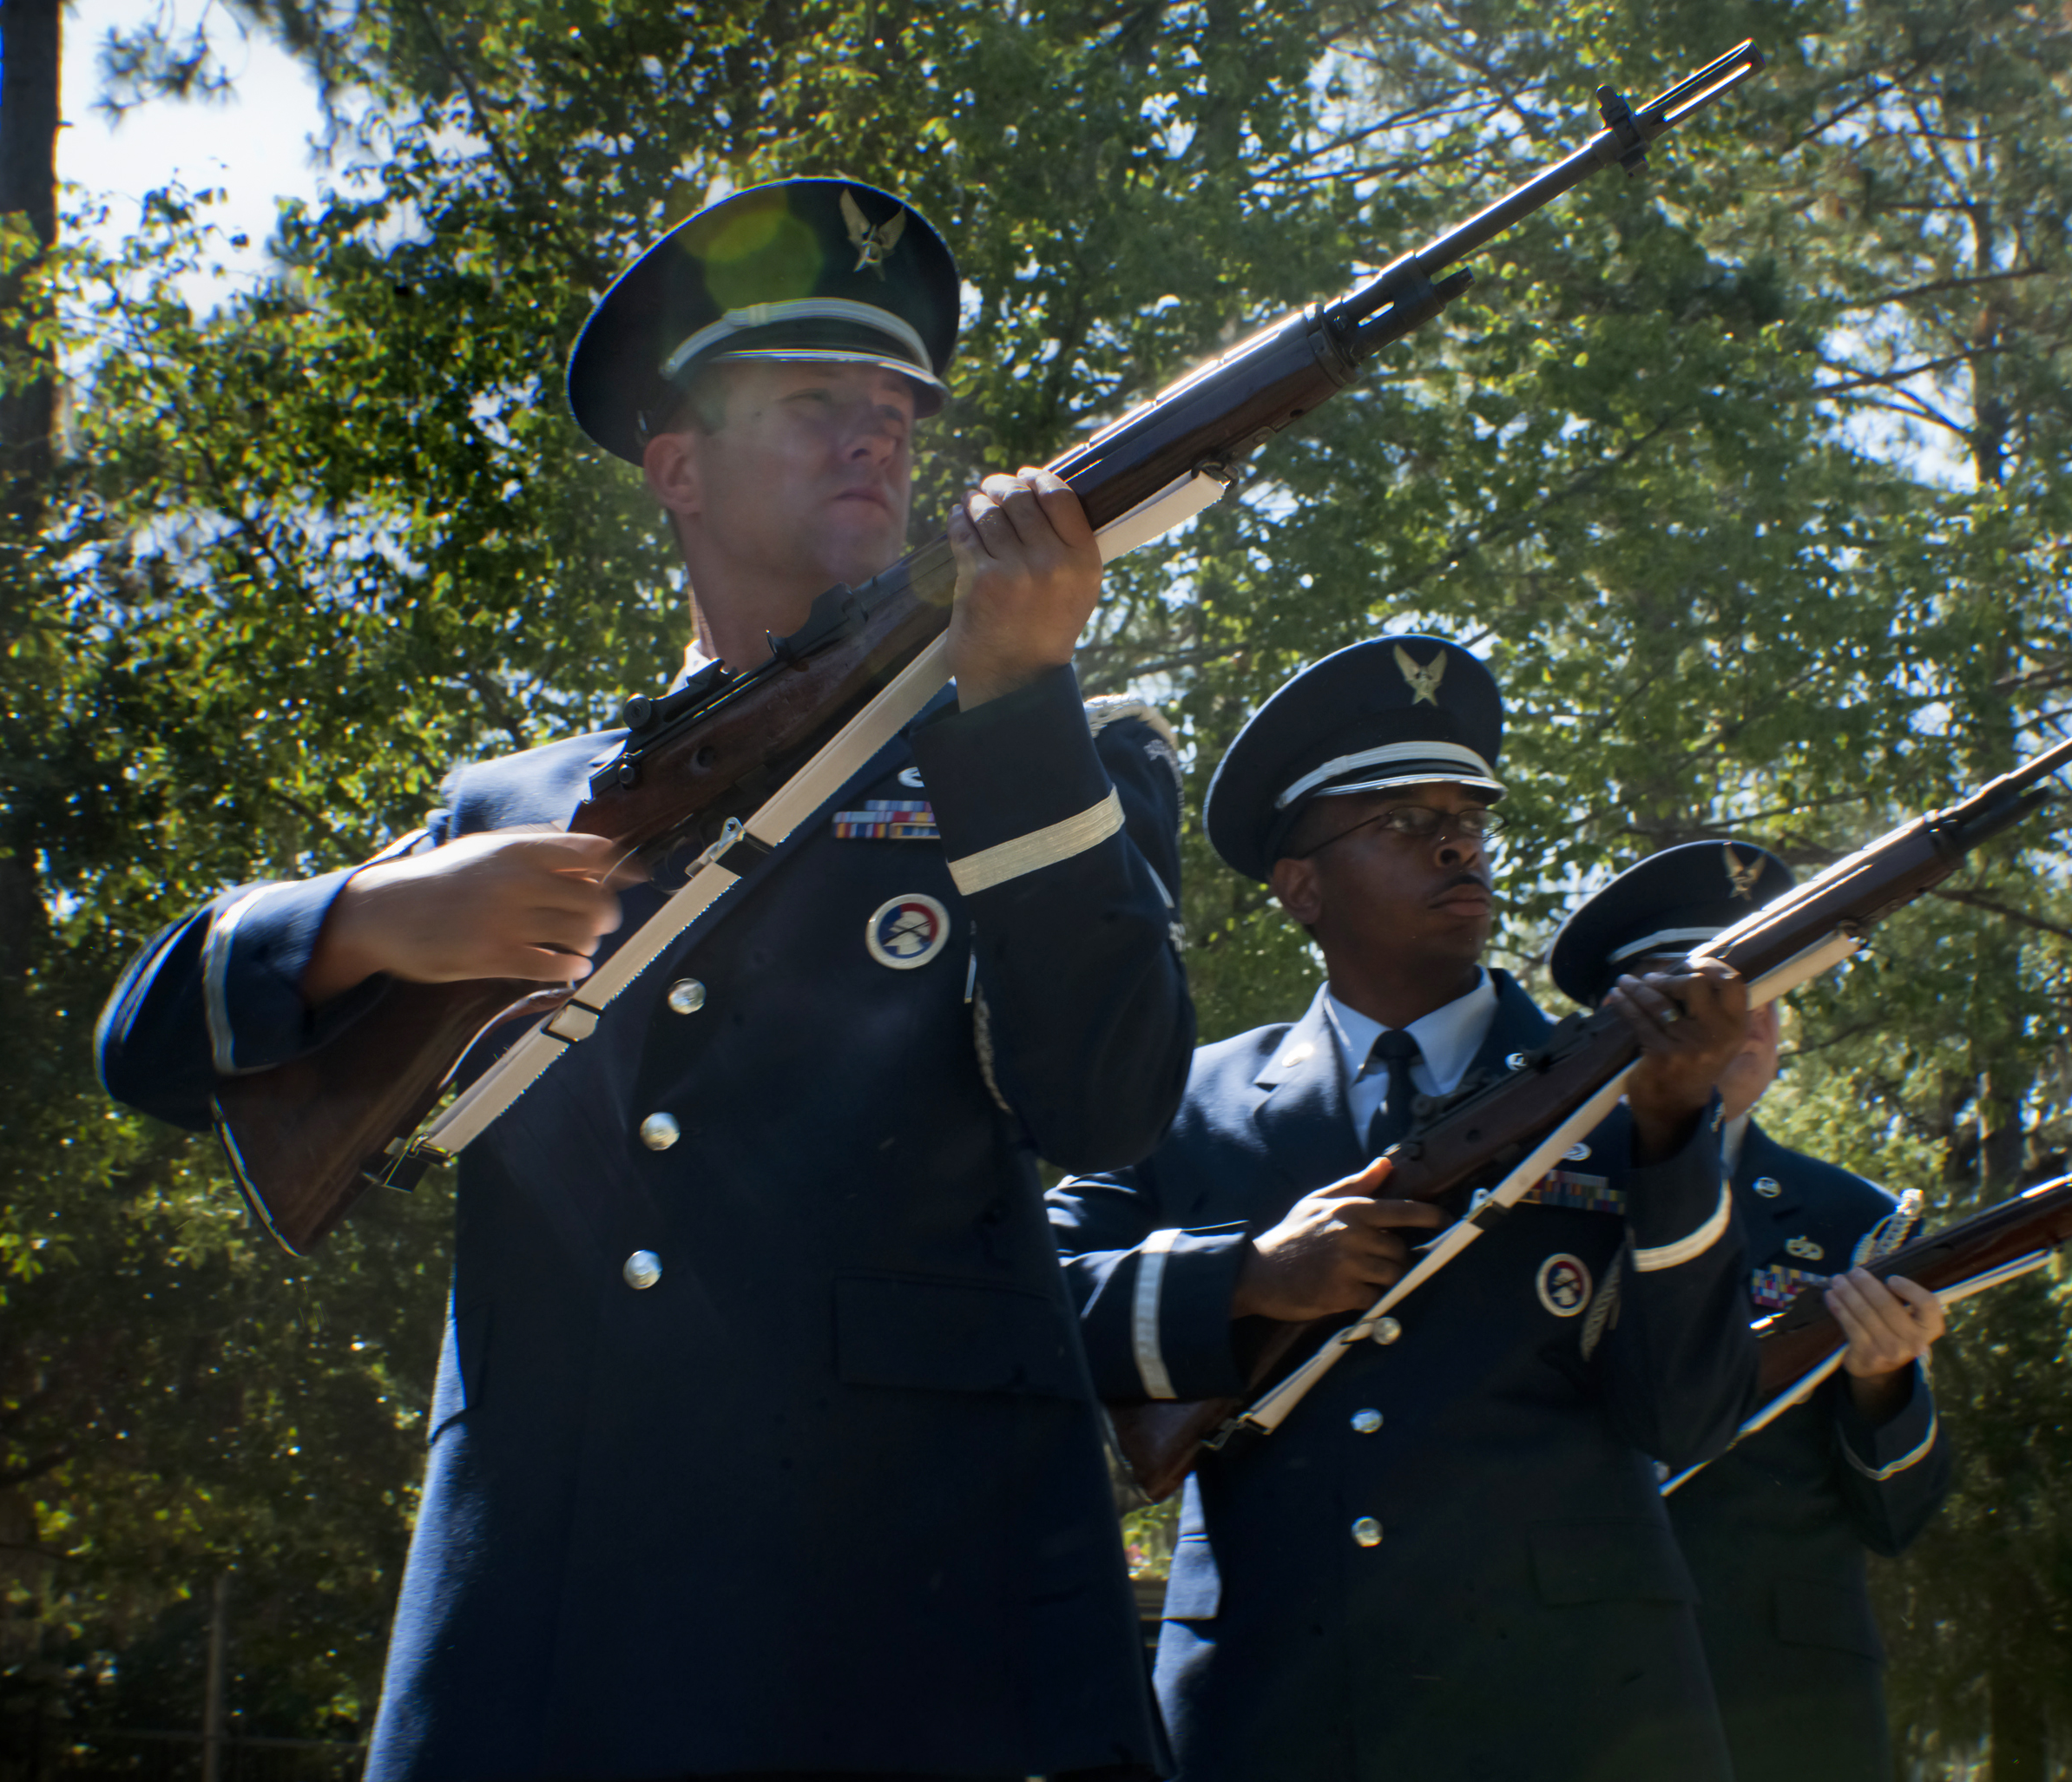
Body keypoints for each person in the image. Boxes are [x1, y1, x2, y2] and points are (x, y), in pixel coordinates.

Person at [96, 180, 1192, 1782]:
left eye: (894, 407)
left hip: (916, 1615)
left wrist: (1016, 699)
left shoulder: (1042, 755)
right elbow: (149, 1045)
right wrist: (378, 924)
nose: (874, 437)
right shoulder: (518, 805)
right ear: (675, 467)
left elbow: (1106, 1100)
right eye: (815, 402)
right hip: (564, 1614)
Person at [1046, 637, 1759, 1782]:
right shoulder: (1188, 1103)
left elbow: (1691, 1419)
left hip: (1568, 1710)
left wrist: (1677, 1138)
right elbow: (1023, 1296)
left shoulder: (1625, 1092)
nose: (1454, 842)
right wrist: (1246, 1277)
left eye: (1467, 815)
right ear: (1301, 886)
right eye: (1398, 821)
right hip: (1270, 1708)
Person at [1548, 840, 1952, 1782]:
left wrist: (1887, 1385)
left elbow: (1899, 1518)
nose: (1748, 1022)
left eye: (1767, 991)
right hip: (1568, 1675)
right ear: (1629, 1022)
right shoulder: (1536, 1195)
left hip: (1779, 1693)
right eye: (1711, 997)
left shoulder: (1855, 1218)